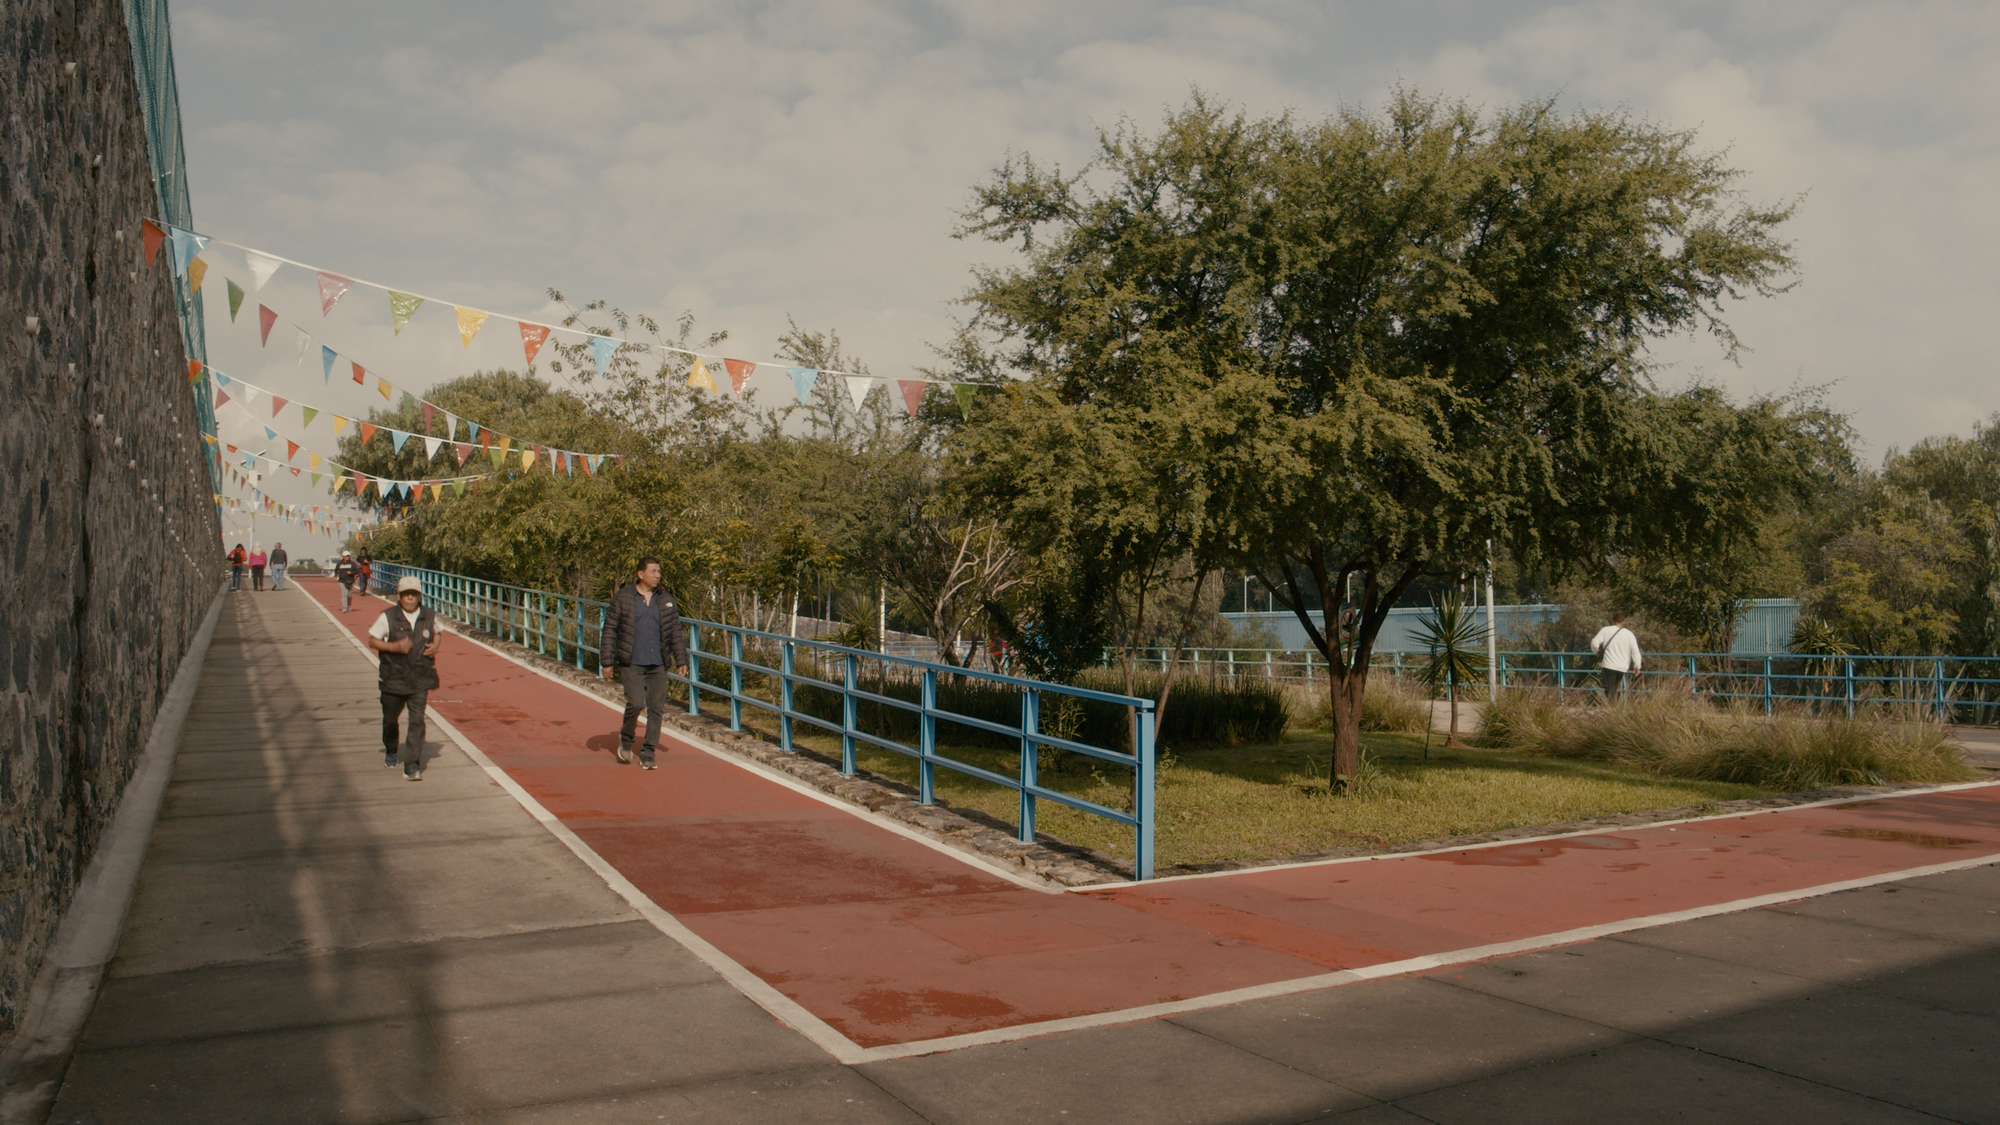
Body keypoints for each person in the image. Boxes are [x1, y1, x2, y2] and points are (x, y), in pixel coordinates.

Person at [598, 556, 688, 770]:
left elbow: (674, 630)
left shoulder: (666, 599)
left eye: (659, 572)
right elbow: (610, 630)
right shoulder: (623, 597)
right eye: (653, 571)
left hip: (658, 662)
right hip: (632, 662)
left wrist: (681, 658)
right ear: (641, 574)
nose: (658, 575)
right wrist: (607, 662)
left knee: (656, 709)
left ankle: (648, 752)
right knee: (636, 703)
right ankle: (627, 739)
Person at [367, 576, 441, 780]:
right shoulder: (388, 616)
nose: (410, 597)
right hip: (393, 678)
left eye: (414, 594)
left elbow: (438, 632)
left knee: (417, 720)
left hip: (420, 677)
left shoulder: (429, 615)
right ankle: (391, 749)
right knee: (391, 719)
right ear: (399, 596)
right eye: (406, 594)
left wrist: (435, 645)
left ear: (419, 596)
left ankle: (412, 765)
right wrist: (394, 647)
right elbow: (373, 641)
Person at [1591, 612, 1644, 700]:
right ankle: (1613, 707)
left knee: (1609, 688)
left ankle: (1610, 708)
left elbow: (1594, 643)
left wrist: (1596, 651)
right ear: (1624, 622)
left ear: (1612, 621)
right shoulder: (1629, 634)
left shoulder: (1605, 630)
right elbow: (1635, 651)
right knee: (1614, 687)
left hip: (1608, 665)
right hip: (1622, 666)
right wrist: (1637, 666)